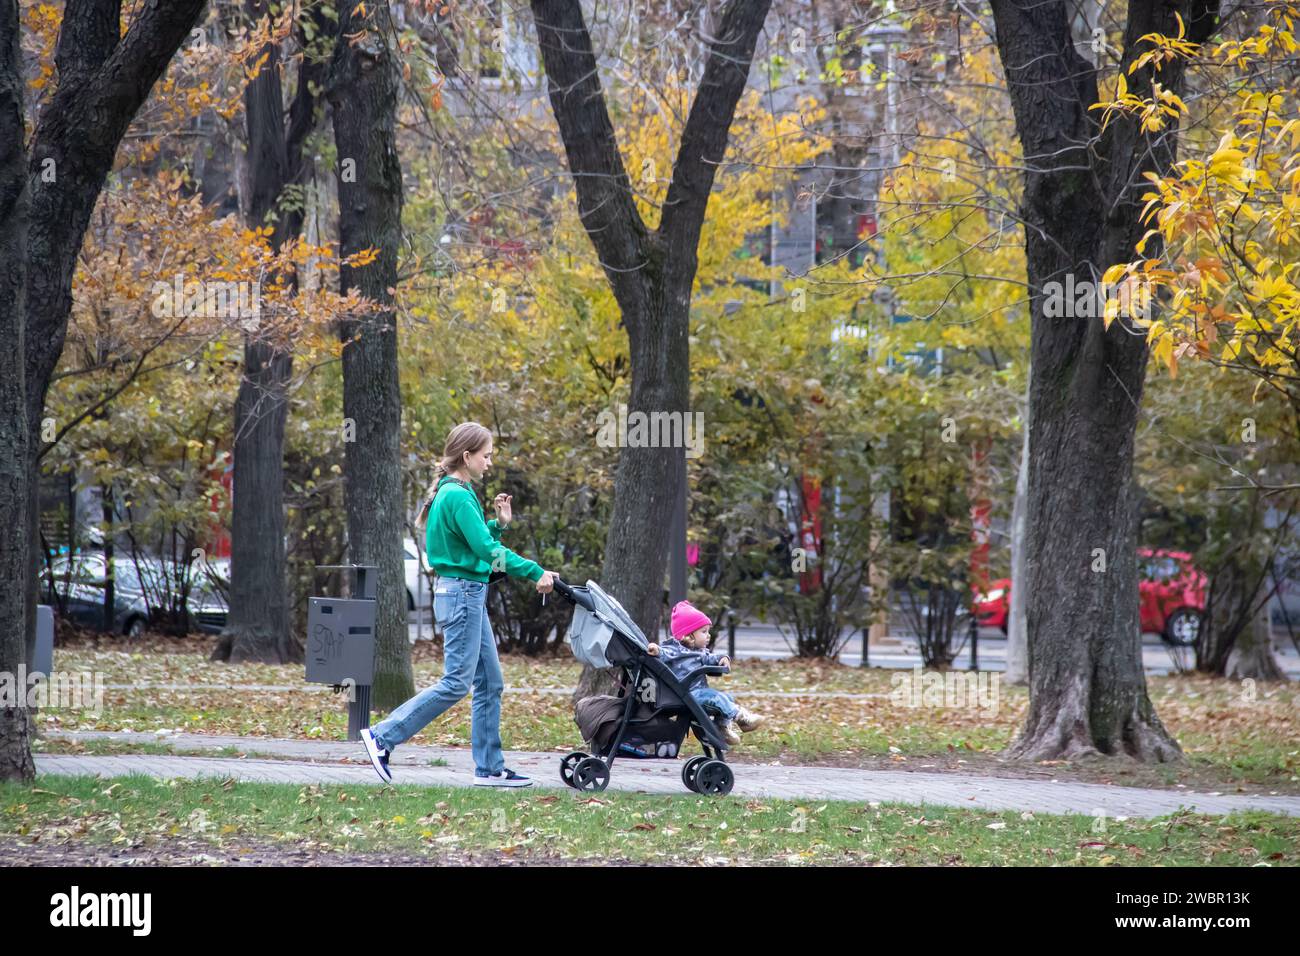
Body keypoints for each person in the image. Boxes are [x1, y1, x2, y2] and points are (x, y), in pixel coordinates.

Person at [360, 422, 556, 787]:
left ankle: (489, 768)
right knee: (456, 683)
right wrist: (534, 571)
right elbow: (486, 553)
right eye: (487, 456)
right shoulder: (458, 496)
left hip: (465, 594)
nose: (490, 463)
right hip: (463, 595)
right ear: (467, 456)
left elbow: (475, 544)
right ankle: (382, 737)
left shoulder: (452, 493)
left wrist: (498, 525)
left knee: (490, 683)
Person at [647, 601, 766, 745]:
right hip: (685, 695)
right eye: (703, 632)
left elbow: (710, 658)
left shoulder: (699, 652)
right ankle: (743, 719)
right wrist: (655, 649)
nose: (708, 635)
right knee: (717, 699)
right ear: (688, 635)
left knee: (727, 697)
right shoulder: (675, 650)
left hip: (696, 693)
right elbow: (664, 653)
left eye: (708, 631)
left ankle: (722, 727)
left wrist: (722, 659)